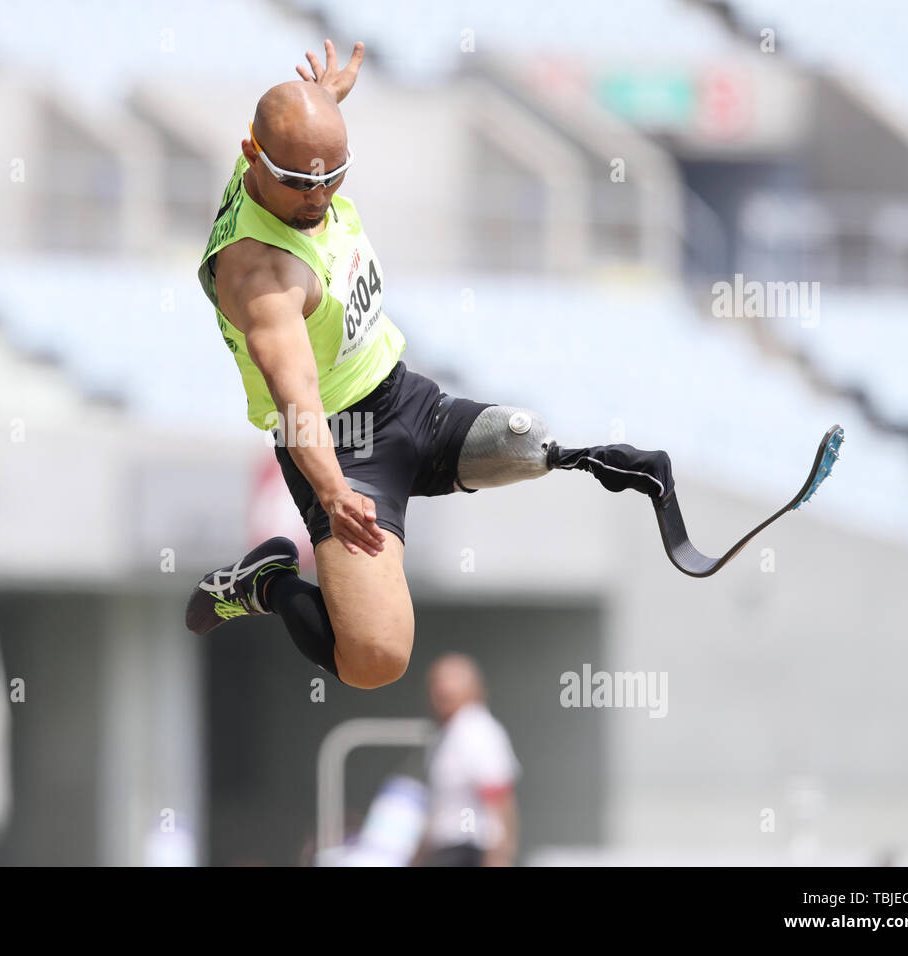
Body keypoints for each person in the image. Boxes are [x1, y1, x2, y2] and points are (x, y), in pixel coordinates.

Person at [185, 41, 673, 689]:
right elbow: (296, 399)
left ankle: (589, 459)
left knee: (524, 440)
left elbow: (309, 132)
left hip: (402, 398)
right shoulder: (262, 275)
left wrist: (327, 97)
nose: (319, 196)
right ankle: (266, 583)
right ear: (253, 155)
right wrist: (333, 494)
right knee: (375, 663)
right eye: (303, 182)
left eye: (334, 176)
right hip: (339, 447)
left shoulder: (296, 154)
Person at [415, 654, 519, 867]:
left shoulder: (477, 728)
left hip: (471, 851)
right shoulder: (449, 733)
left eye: (452, 681)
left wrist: (499, 856)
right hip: (448, 850)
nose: (443, 689)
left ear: (473, 687)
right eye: (437, 682)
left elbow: (497, 794)